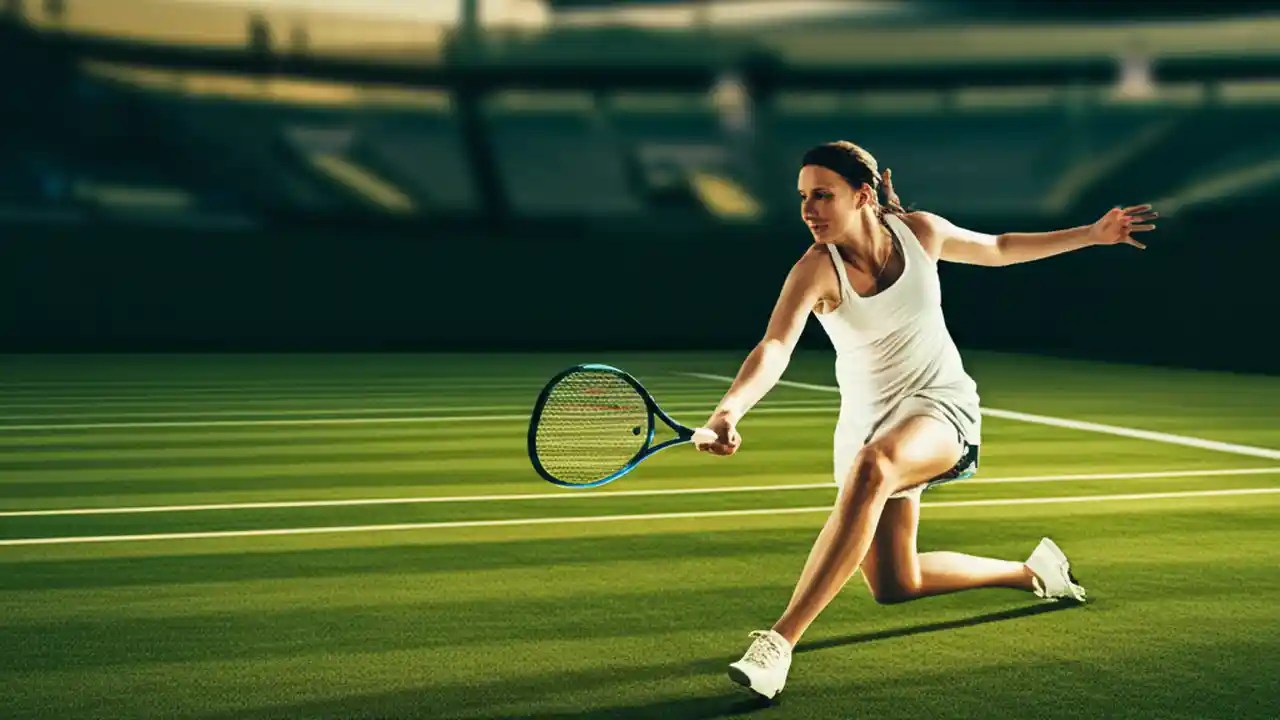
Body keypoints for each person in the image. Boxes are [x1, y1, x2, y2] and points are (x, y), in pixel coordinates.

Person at [695, 141, 1157, 700]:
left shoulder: (920, 232)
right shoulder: (815, 270)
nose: (809, 209)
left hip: (940, 407)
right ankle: (1032, 572)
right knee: (895, 583)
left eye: (823, 195)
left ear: (862, 195)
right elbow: (774, 346)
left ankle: (779, 642)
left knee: (874, 467)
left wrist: (1091, 233)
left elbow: (1000, 247)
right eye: (802, 197)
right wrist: (729, 409)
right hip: (869, 426)